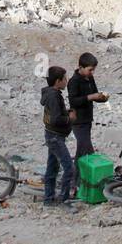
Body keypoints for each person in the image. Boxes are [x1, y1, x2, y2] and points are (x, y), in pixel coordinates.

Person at [40, 66, 78, 211]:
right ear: (58, 81)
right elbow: (56, 119)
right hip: (55, 136)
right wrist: (70, 118)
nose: (66, 81)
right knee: (69, 167)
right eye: (65, 78)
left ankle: (48, 199)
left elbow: (54, 114)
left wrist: (65, 112)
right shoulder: (54, 96)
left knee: (52, 168)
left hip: (52, 135)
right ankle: (64, 199)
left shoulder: (51, 94)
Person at [67, 52, 109, 161]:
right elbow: (73, 101)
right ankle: (82, 175)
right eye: (90, 70)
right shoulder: (74, 82)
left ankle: (75, 175)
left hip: (87, 119)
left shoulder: (90, 78)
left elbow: (94, 94)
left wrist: (101, 98)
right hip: (78, 121)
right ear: (81, 67)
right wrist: (90, 97)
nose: (92, 72)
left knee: (81, 150)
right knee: (87, 149)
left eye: (93, 69)